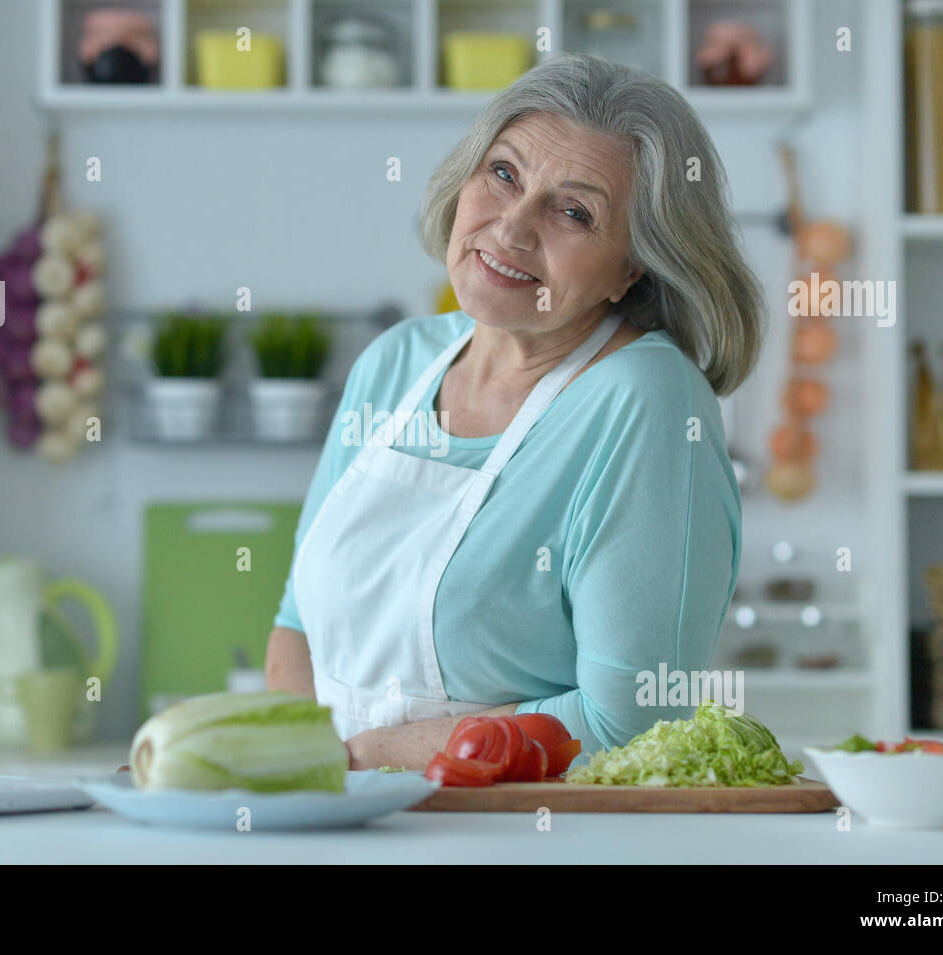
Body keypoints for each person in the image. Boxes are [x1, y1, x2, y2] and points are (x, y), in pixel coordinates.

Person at [265, 53, 765, 771]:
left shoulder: (647, 402)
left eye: (574, 212)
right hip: (341, 811)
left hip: (514, 824)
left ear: (633, 268)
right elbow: (296, 624)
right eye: (504, 173)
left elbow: (631, 719)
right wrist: (290, 771)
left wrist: (365, 759)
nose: (513, 228)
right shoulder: (397, 360)